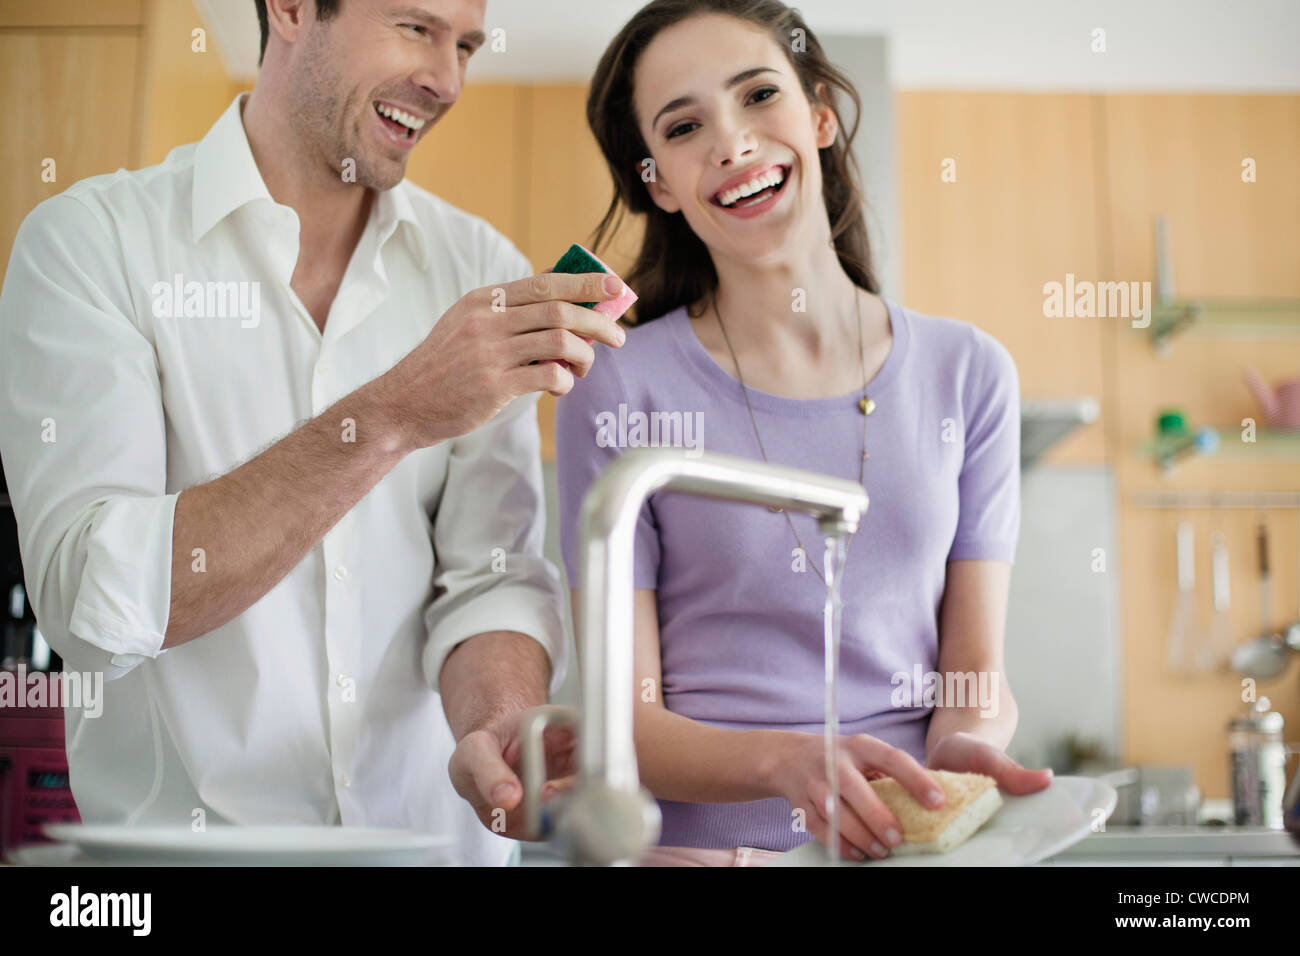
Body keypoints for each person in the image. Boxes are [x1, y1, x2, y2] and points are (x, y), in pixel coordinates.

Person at [0, 0, 624, 866]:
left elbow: (491, 578)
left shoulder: (480, 269)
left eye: (467, 45)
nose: (447, 79)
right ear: (291, 9)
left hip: (430, 854)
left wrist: (499, 727)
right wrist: (395, 413)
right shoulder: (91, 247)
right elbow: (89, 603)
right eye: (415, 27)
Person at [556, 0, 1052, 867]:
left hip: (900, 849)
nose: (733, 142)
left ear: (818, 114)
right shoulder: (619, 383)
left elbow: (975, 671)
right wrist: (786, 762)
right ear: (658, 182)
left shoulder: (968, 373)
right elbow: (619, 718)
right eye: (684, 126)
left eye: (757, 96)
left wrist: (963, 751)